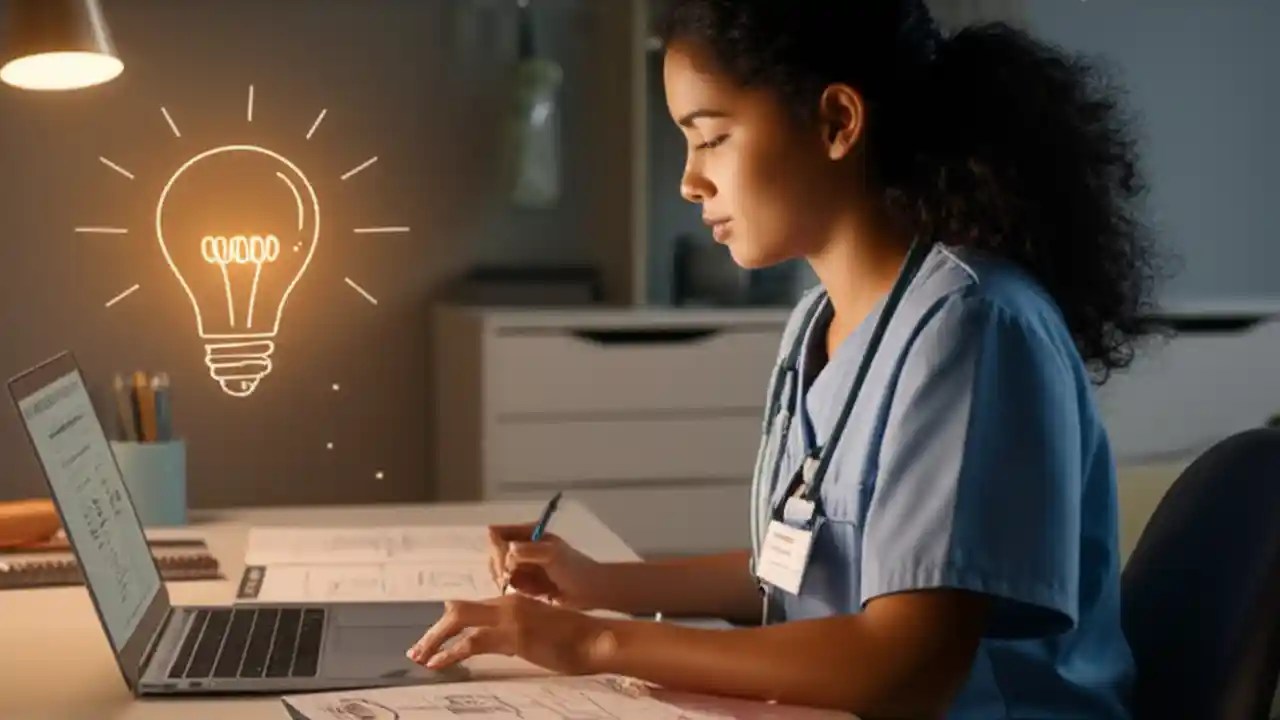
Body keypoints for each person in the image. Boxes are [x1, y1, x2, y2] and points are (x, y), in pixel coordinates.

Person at [408, 1, 1160, 717]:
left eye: (710, 136)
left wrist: (600, 642)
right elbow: (809, 567)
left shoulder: (973, 326)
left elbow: (908, 668)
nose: (688, 178)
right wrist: (606, 584)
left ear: (836, 121)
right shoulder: (818, 321)